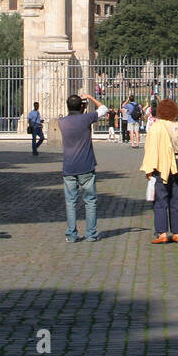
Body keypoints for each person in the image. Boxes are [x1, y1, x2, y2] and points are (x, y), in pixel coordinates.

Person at [58, 92, 108, 243]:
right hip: (86, 166)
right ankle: (91, 234)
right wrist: (90, 97)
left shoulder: (62, 122)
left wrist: (80, 107)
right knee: (90, 201)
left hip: (69, 167)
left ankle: (72, 235)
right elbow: (104, 109)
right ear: (81, 106)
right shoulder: (86, 119)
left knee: (70, 202)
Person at [141, 98, 178, 244]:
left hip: (160, 165)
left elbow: (150, 149)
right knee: (176, 200)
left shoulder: (155, 127)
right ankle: (177, 233)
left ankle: (162, 233)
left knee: (160, 199)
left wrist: (149, 169)